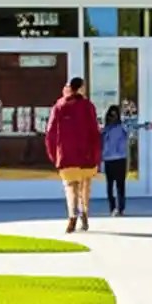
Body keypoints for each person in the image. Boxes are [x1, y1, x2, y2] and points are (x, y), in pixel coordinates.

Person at [45, 77, 102, 234]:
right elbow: (94, 132)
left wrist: (53, 154)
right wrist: (96, 154)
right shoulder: (88, 106)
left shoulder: (59, 106)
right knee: (85, 185)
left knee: (71, 186)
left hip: (66, 155)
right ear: (81, 88)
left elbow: (50, 133)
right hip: (86, 156)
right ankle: (84, 211)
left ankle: (72, 215)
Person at [101, 105, 130, 217]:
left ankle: (120, 208)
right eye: (110, 115)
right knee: (109, 186)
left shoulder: (122, 127)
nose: (113, 117)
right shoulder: (105, 130)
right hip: (109, 159)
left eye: (115, 115)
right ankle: (112, 207)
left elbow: (129, 132)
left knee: (120, 185)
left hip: (120, 159)